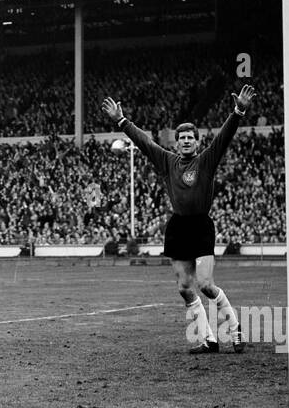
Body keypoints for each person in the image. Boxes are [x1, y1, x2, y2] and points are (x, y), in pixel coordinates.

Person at [102, 84, 256, 353]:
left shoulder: (206, 160)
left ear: (197, 142)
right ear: (176, 142)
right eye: (181, 137)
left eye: (190, 138)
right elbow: (145, 142)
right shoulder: (168, 161)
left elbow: (224, 136)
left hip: (201, 226)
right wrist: (122, 121)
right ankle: (209, 339)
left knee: (206, 285)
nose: (186, 141)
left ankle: (234, 329)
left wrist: (238, 111)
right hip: (178, 227)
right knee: (185, 287)